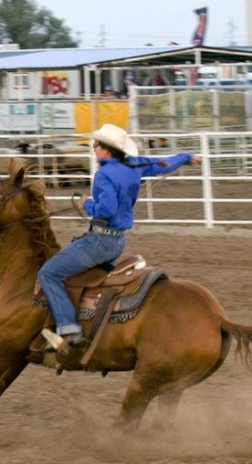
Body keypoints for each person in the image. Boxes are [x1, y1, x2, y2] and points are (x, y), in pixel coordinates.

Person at [38, 123, 201, 364]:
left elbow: (106, 209)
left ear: (106, 150)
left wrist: (85, 204)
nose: (93, 149)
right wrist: (187, 157)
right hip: (117, 243)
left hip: (99, 241)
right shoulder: (134, 165)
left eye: (95, 145)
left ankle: (68, 328)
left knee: (49, 273)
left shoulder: (103, 174)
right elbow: (163, 163)